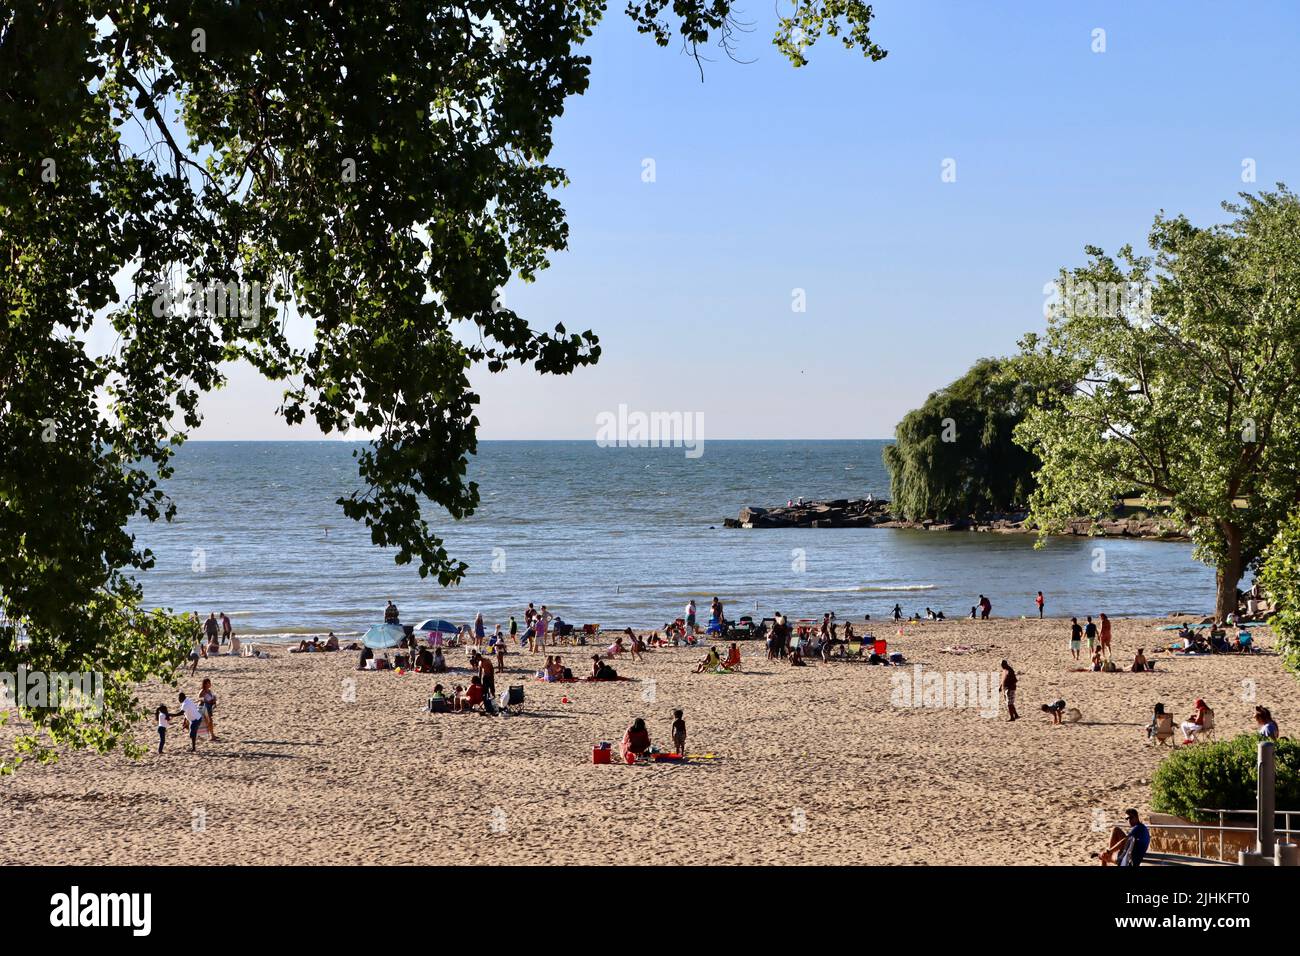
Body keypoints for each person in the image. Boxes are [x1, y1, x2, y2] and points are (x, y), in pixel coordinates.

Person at [199, 677, 219, 742]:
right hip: (205, 708)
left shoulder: (209, 691)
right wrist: (207, 701)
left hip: (209, 707)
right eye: (208, 683)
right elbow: (200, 698)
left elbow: (212, 698)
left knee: (210, 721)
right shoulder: (203, 691)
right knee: (209, 721)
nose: (209, 684)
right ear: (204, 684)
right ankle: (211, 736)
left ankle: (212, 735)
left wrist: (214, 701)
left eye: (209, 683)